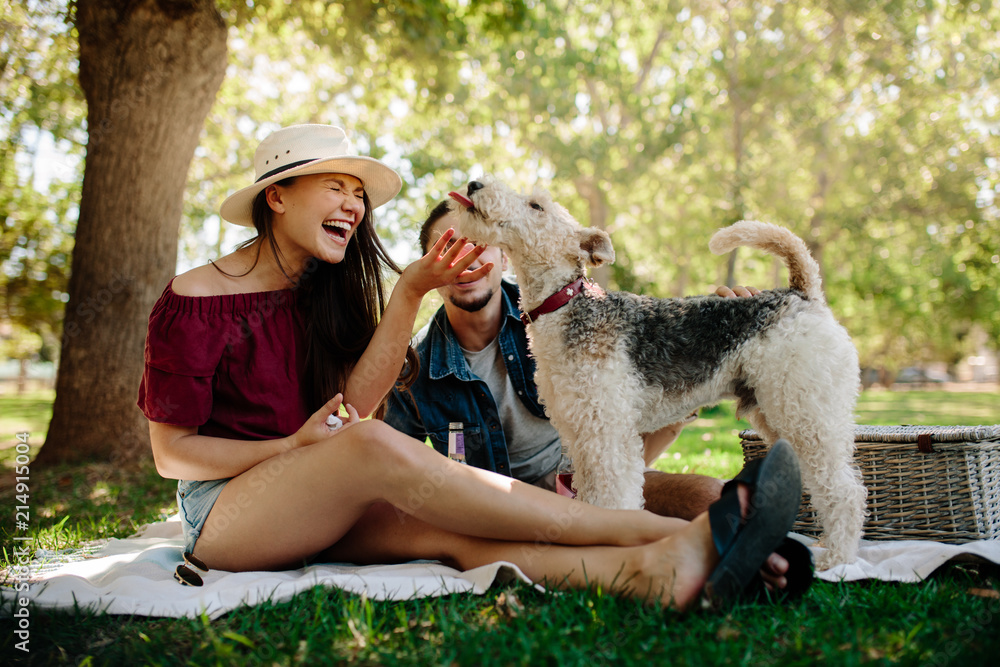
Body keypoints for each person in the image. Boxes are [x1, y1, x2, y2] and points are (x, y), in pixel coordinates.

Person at [137, 123, 798, 610]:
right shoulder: (196, 298)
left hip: (313, 497)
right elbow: (172, 454)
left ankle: (658, 571)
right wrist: (292, 445)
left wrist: (405, 291)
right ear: (276, 197)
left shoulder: (330, 291)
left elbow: (349, 407)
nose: (353, 205)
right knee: (374, 443)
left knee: (456, 534)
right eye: (335, 188)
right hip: (225, 516)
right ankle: (667, 534)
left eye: (358, 194)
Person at [384, 201, 760, 520]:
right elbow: (394, 477)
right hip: (494, 510)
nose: (463, 258)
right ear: (427, 266)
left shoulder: (571, 314)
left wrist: (705, 349)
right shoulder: (411, 369)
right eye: (447, 248)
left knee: (711, 499)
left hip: (585, 482)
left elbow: (624, 427)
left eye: (478, 243)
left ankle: (753, 547)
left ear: (504, 252)